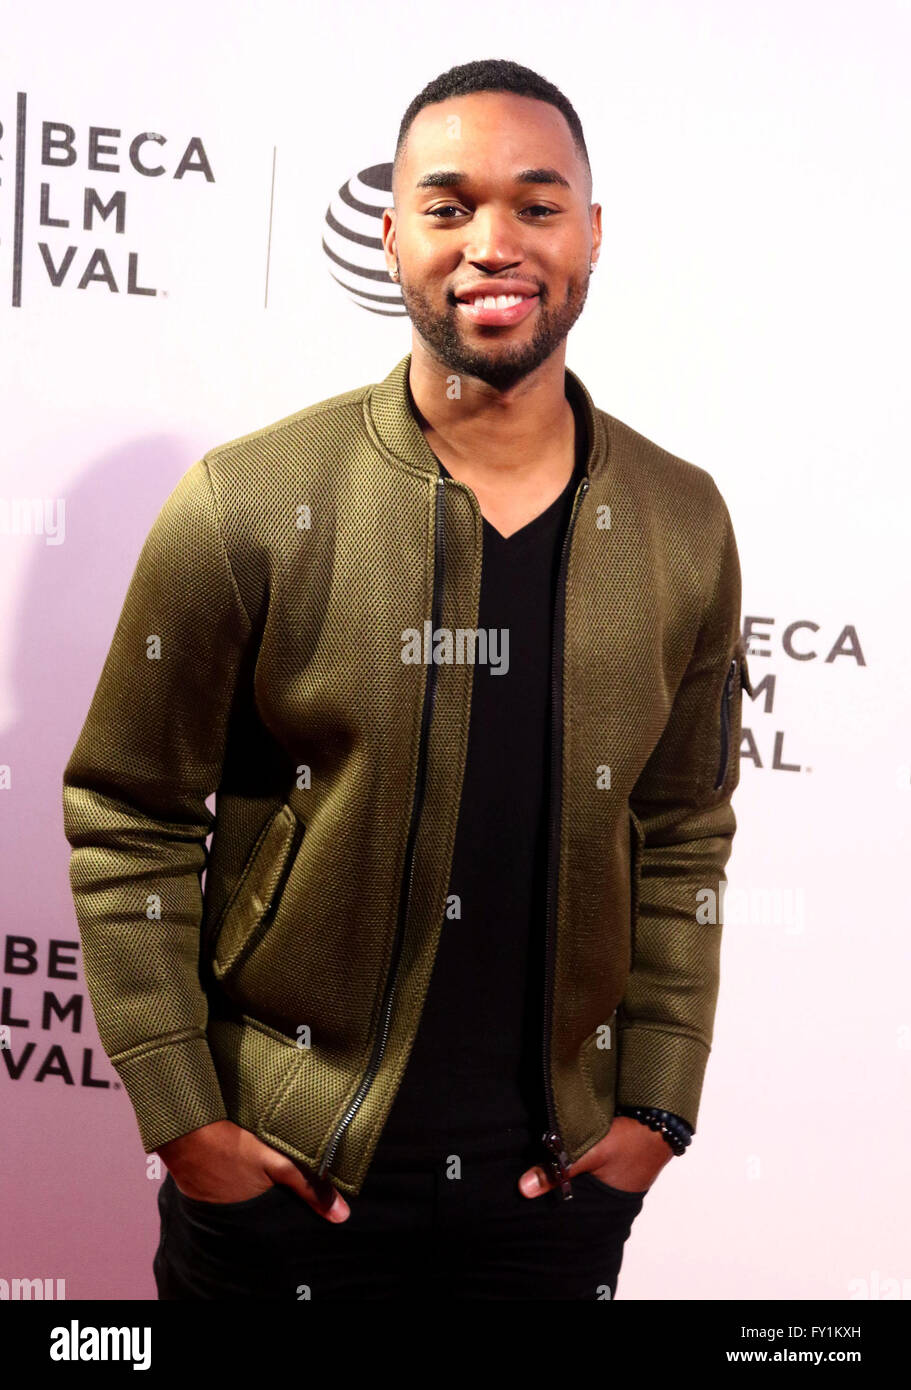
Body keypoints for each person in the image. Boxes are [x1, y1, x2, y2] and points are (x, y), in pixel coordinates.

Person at [62, 57, 752, 1301]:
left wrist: (657, 1100)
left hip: (556, 1195)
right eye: (448, 206)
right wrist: (184, 1115)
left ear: (590, 235)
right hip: (282, 1175)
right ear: (388, 236)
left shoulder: (682, 523)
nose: (493, 243)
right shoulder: (251, 504)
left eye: (537, 206)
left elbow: (682, 833)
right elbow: (130, 814)